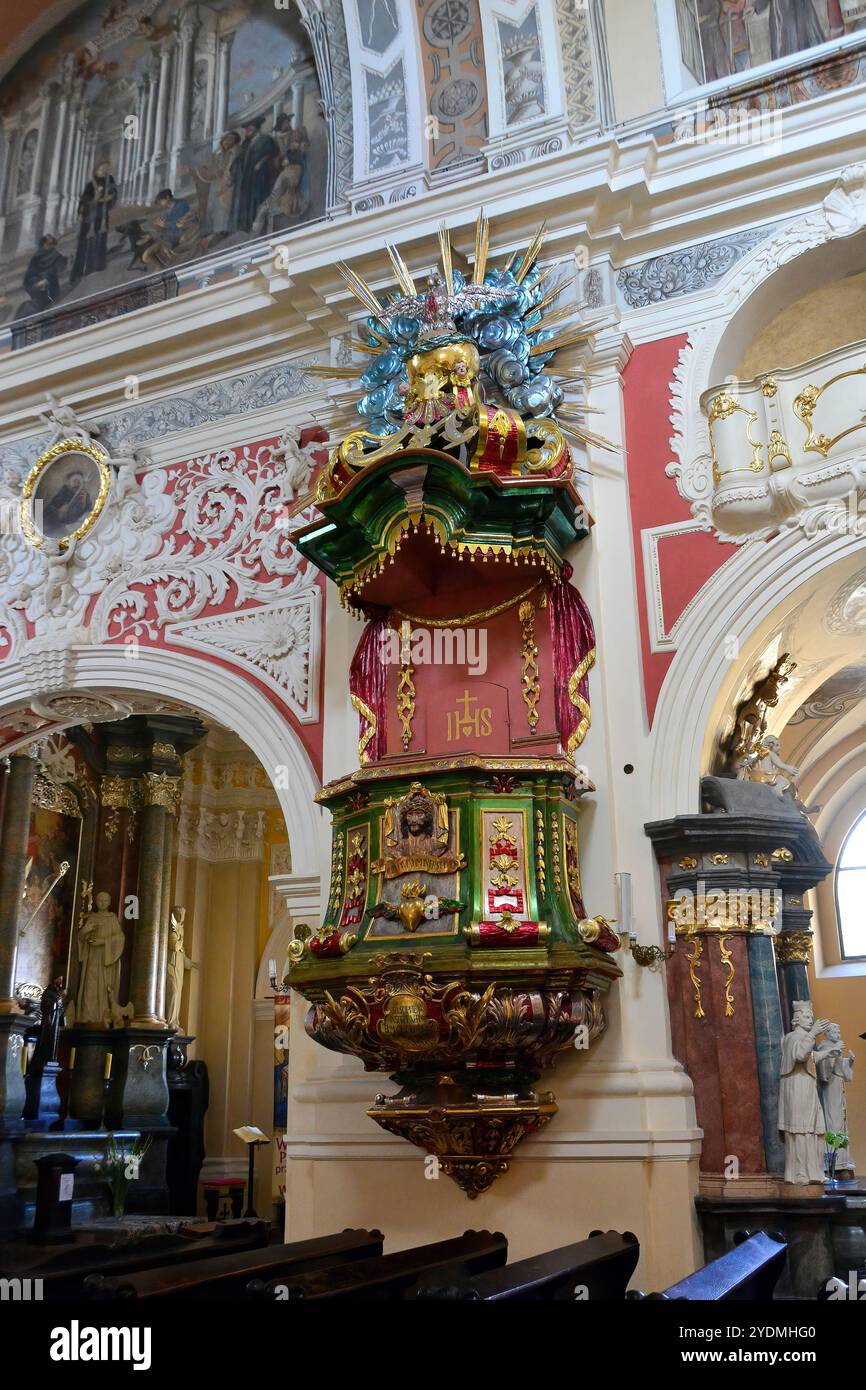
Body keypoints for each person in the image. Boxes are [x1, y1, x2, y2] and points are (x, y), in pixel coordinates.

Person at [779, 1000, 831, 1184]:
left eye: (811, 1016)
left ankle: (814, 1172)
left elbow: (810, 1058)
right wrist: (814, 1033)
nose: (811, 1020)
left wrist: (828, 1052)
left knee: (813, 1131)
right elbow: (800, 1055)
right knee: (801, 1130)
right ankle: (800, 1173)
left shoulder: (803, 1038)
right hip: (797, 1088)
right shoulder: (793, 1037)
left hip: (806, 1087)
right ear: (797, 1019)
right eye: (807, 1017)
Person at [75, 891, 125, 1025]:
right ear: (96, 902)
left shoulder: (112, 918)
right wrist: (86, 930)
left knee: (104, 988)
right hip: (92, 957)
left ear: (109, 902)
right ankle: (88, 1017)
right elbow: (80, 937)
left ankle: (104, 1017)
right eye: (99, 900)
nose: (102, 902)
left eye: (105, 900)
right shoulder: (92, 917)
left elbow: (120, 938)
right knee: (90, 986)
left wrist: (103, 941)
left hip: (106, 959)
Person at [70, 161, 117, 283]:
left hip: (101, 215)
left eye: (107, 168)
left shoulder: (109, 180)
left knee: (101, 237)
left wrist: (109, 198)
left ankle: (98, 264)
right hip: (90, 217)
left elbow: (113, 194)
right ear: (97, 169)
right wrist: (94, 201)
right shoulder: (91, 184)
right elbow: (84, 200)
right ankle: (82, 269)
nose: (105, 169)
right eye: (103, 167)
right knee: (86, 241)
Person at [187, 131, 240, 238]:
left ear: (234, 143)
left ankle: (224, 229)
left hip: (228, 184)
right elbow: (207, 167)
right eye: (226, 139)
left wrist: (226, 177)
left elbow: (234, 169)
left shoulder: (234, 154)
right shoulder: (216, 154)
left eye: (231, 140)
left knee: (223, 207)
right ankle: (212, 230)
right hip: (215, 183)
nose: (227, 142)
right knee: (212, 206)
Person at [231, 116, 279, 233]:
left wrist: (261, 162)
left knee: (258, 198)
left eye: (248, 130)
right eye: (246, 130)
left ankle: (259, 224)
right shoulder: (246, 143)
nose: (246, 132)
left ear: (255, 129)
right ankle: (246, 224)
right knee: (247, 199)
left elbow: (273, 152)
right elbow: (240, 158)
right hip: (247, 176)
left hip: (261, 175)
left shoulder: (265, 139)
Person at [141, 188, 200, 269]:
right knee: (146, 256)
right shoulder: (166, 212)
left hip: (177, 237)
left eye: (161, 201)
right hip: (167, 238)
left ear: (167, 197)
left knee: (149, 254)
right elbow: (163, 226)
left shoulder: (182, 204)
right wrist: (153, 231)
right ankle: (161, 268)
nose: (161, 204)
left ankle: (162, 268)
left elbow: (181, 224)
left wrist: (165, 225)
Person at [20, 235, 67, 313]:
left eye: (52, 244)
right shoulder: (37, 256)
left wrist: (64, 259)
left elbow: (60, 267)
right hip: (36, 284)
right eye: (48, 244)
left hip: (50, 283)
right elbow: (30, 274)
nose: (50, 246)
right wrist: (38, 283)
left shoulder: (54, 253)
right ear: (43, 244)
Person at [42, 467, 93, 534]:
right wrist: (58, 511)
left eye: (80, 482)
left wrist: (83, 503)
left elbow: (88, 512)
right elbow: (46, 513)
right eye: (75, 481)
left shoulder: (84, 495)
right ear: (68, 482)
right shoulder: (62, 493)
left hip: (77, 527)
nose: (77, 484)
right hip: (57, 527)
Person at [33, 976, 66, 1066]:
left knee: (55, 1040)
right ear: (54, 979)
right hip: (49, 1019)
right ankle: (43, 1058)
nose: (60, 981)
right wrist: (54, 1002)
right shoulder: (48, 991)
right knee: (47, 1038)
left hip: (57, 1019)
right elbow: (44, 1005)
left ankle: (52, 1057)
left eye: (61, 979)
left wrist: (60, 1006)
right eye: (58, 979)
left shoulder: (60, 992)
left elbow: (62, 1007)